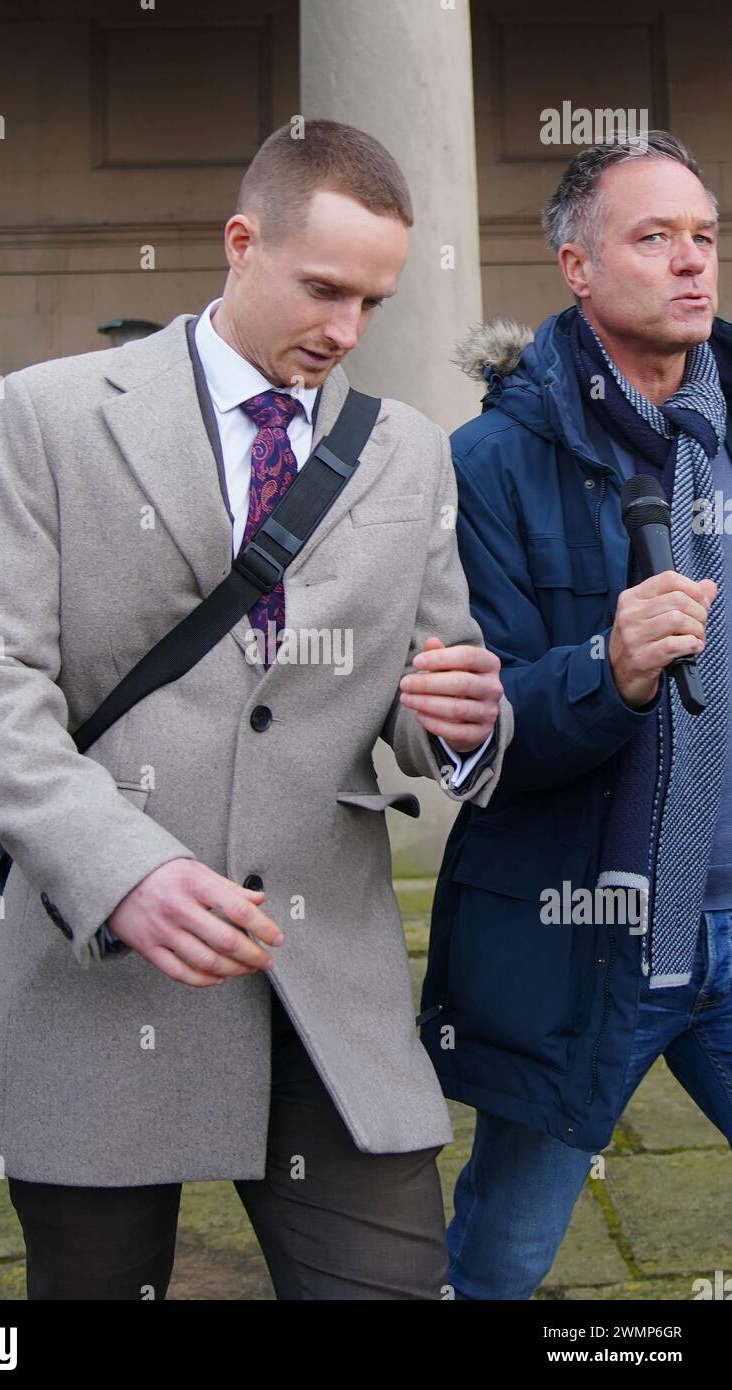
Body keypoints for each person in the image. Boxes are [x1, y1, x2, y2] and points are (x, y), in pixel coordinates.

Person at [0, 119, 511, 1301]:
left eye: (373, 303)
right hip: (99, 961)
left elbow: (426, 680)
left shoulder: (407, 451)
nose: (345, 331)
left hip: (321, 976)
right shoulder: (50, 412)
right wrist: (121, 870)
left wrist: (458, 721)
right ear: (241, 244)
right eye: (324, 288)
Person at [420, 130, 732, 1299]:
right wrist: (604, 670)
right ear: (576, 266)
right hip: (582, 931)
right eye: (652, 237)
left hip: (730, 926)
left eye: (702, 236)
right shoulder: (488, 463)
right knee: (498, 1258)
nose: (691, 263)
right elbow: (476, 737)